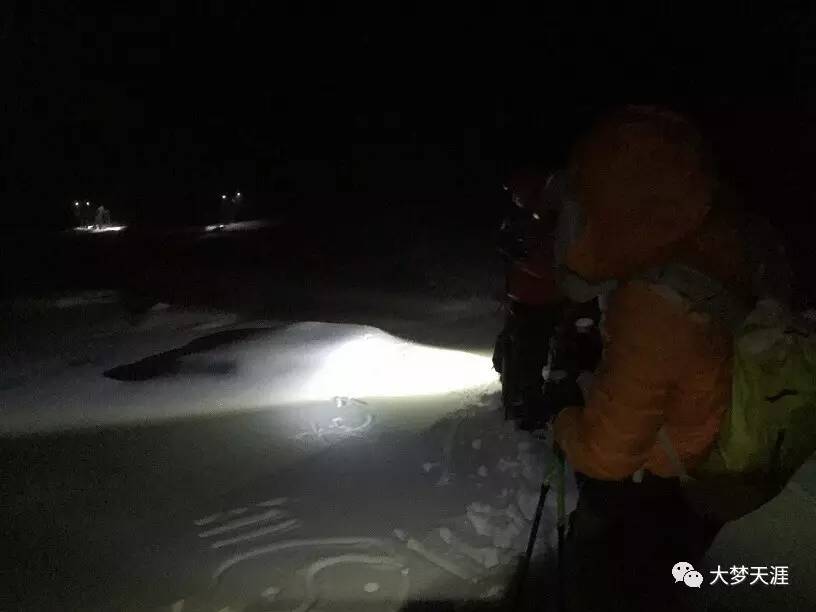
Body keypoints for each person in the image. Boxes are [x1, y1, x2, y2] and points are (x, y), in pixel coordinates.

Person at [551, 106, 763, 610]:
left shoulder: (654, 300)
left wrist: (563, 415)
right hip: (712, 460)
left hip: (664, 479)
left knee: (616, 575)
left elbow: (608, 454)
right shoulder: (713, 245)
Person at [493, 168, 578, 430]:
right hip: (524, 302)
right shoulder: (530, 218)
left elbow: (551, 266)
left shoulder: (554, 218)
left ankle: (531, 415)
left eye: (516, 191)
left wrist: (518, 255)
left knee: (530, 361)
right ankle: (519, 405)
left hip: (541, 305)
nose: (513, 196)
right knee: (511, 355)